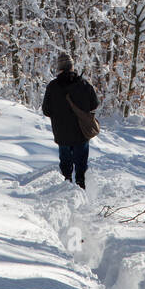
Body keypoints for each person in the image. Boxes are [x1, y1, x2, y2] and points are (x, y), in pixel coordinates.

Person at [41, 52, 99, 189]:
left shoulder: (52, 86)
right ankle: (80, 184)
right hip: (81, 132)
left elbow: (46, 110)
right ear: (72, 67)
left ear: (59, 68)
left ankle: (67, 184)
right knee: (81, 162)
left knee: (65, 162)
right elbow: (94, 104)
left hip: (62, 133)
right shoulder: (84, 84)